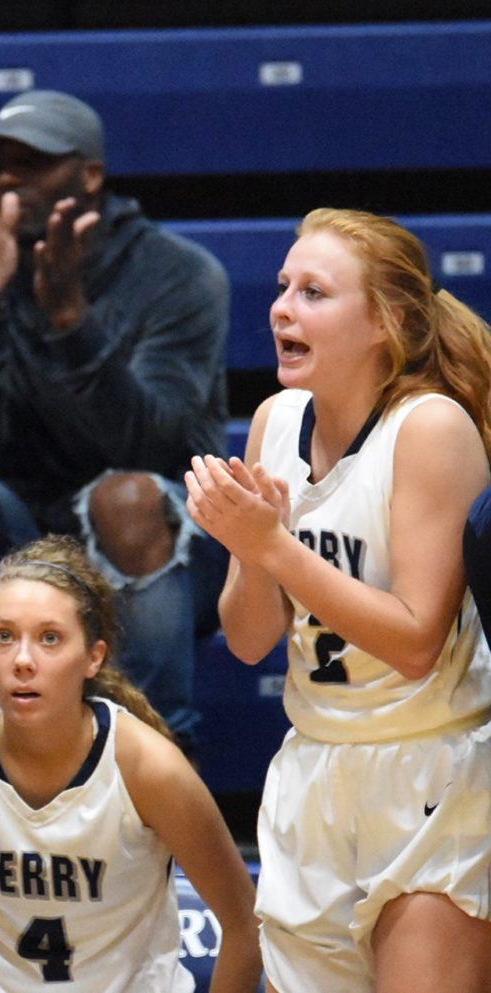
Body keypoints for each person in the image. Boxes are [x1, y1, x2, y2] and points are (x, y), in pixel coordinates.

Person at [0, 89, 230, 859]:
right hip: (21, 538)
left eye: (32, 166)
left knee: (124, 497)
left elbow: (154, 448)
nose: (9, 183)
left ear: (88, 177)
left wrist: (70, 324)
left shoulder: (177, 276)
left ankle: (165, 775)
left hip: (166, 543)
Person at [186, 208, 491, 992]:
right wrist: (253, 555)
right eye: (284, 286)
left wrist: (273, 546)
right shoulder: (274, 421)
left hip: (436, 767)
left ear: (384, 323)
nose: (282, 306)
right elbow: (250, 638)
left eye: (314, 292)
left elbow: (418, 641)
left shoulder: (430, 429)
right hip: (315, 769)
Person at [0, 535, 260, 993]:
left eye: (49, 639)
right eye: (4, 636)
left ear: (93, 657)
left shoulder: (150, 768)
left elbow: (245, 923)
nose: (22, 660)